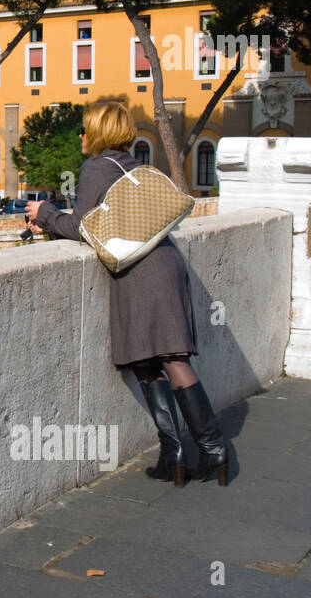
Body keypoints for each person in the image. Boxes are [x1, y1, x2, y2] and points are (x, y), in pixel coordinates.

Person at [24, 100, 230, 487]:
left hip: (141, 273)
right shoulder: (132, 165)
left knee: (167, 359)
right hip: (164, 261)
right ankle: (182, 453)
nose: (82, 136)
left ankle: (206, 448)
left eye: (86, 129)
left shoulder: (97, 168)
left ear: (99, 133)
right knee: (150, 361)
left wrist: (46, 213)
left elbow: (83, 227)